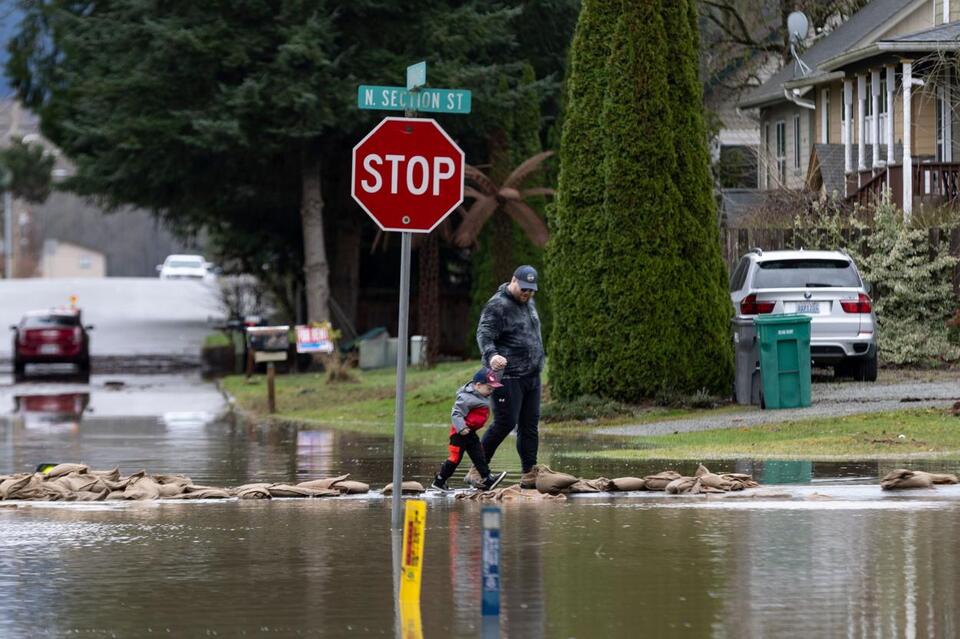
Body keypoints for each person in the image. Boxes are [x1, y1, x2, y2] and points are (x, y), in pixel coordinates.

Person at [470, 265, 544, 489]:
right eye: (523, 288)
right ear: (513, 280)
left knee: (529, 425)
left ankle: (529, 472)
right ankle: (477, 470)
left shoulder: (528, 302)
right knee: (505, 422)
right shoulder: (497, 305)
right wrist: (492, 356)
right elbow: (484, 334)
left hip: (531, 375)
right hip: (506, 375)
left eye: (531, 290)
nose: (527, 293)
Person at [431, 368, 509, 492]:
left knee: (479, 456)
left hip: (470, 433)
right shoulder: (465, 397)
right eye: (489, 388)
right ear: (478, 385)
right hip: (459, 434)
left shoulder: (481, 394)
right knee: (455, 459)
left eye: (493, 389)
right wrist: (461, 428)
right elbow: (456, 413)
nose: (491, 391)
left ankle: (487, 479)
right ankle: (439, 480)